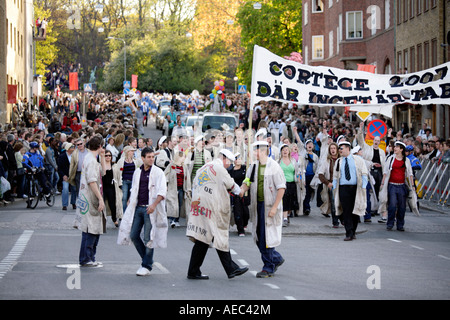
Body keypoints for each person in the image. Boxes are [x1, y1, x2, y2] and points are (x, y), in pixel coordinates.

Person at [186, 149, 248, 280]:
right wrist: (242, 189)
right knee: (219, 235)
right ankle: (231, 269)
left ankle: (194, 270)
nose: (229, 165)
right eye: (229, 162)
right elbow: (232, 186)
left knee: (202, 238)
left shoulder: (204, 166)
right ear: (224, 158)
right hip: (211, 207)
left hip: (198, 205)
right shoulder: (219, 168)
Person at [117, 147, 168, 276]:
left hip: (150, 208)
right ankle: (147, 260)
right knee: (133, 235)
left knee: (148, 238)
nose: (151, 159)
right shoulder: (137, 172)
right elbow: (134, 188)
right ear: (143, 158)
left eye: (153, 157)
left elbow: (162, 191)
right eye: (149, 157)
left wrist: (154, 205)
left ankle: (146, 265)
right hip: (138, 207)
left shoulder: (158, 172)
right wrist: (130, 200)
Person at [239, 141, 286, 278]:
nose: (254, 153)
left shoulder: (274, 167)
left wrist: (275, 207)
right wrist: (242, 189)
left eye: (256, 150)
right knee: (259, 237)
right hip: (257, 205)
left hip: (270, 205)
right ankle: (276, 258)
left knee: (267, 237)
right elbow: (247, 181)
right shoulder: (253, 166)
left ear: (263, 151)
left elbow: (281, 188)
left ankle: (268, 267)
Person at [77, 136, 106, 267]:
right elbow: (92, 181)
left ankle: (89, 257)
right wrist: (100, 199)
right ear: (99, 146)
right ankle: (87, 257)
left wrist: (103, 157)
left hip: (87, 196)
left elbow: (103, 172)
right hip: (91, 197)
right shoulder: (92, 161)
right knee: (91, 229)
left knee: (92, 228)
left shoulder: (90, 158)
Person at [332, 141, 369, 241]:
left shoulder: (358, 160)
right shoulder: (339, 161)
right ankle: (348, 233)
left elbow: (364, 173)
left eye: (341, 148)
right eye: (339, 148)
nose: (340, 150)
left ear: (348, 148)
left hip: (355, 188)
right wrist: (335, 189)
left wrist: (363, 186)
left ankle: (353, 231)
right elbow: (335, 177)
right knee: (346, 211)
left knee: (355, 211)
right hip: (343, 188)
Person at [379, 141, 418, 231]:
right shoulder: (391, 159)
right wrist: (383, 183)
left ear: (401, 149)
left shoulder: (406, 160)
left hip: (402, 186)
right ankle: (390, 223)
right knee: (392, 205)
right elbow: (385, 172)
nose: (395, 148)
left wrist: (412, 185)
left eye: (397, 147)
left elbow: (410, 173)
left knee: (402, 206)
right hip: (392, 185)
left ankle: (400, 224)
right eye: (395, 147)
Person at [164, 151, 191, 228]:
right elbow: (166, 174)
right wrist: (166, 184)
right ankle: (171, 220)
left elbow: (187, 178)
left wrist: (188, 189)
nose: (184, 158)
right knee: (172, 204)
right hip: (172, 188)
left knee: (179, 204)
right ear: (179, 157)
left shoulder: (184, 166)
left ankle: (176, 220)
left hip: (181, 188)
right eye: (183, 157)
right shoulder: (171, 165)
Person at [318, 142, 341, 227]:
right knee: (334, 203)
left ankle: (342, 219)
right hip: (331, 185)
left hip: (341, 184)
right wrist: (328, 183)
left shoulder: (341, 160)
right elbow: (320, 174)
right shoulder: (326, 161)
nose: (333, 150)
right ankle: (335, 222)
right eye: (331, 148)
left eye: (334, 148)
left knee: (341, 202)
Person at [22, 141, 52, 206]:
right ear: (32, 148)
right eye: (35, 148)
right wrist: (30, 168)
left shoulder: (38, 153)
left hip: (39, 170)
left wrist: (42, 167)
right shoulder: (27, 155)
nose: (37, 149)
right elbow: (24, 163)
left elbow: (41, 160)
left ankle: (47, 195)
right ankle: (30, 198)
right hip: (31, 171)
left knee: (44, 183)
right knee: (31, 185)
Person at [229, 152, 249, 236]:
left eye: (240, 159)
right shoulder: (231, 171)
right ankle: (240, 229)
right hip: (236, 193)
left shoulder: (245, 168)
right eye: (237, 159)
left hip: (244, 192)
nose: (239, 161)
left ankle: (244, 224)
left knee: (246, 212)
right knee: (238, 212)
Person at [278, 144, 299, 227]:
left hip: (292, 183)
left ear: (289, 151)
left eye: (286, 150)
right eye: (283, 150)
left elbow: (297, 171)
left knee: (291, 202)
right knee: (285, 201)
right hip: (282, 184)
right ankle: (285, 218)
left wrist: (299, 179)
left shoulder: (293, 161)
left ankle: (287, 215)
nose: (285, 151)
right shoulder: (278, 162)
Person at [101, 149, 122, 227]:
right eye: (106, 155)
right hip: (102, 187)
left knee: (112, 204)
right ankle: (102, 220)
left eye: (109, 155)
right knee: (101, 204)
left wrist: (120, 184)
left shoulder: (114, 165)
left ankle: (114, 219)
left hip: (111, 187)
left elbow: (118, 176)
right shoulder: (100, 165)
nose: (108, 157)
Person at [68, 138, 89, 209]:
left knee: (87, 189)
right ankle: (81, 204)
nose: (80, 145)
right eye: (78, 145)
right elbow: (72, 164)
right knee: (79, 190)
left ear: (84, 144)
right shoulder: (75, 153)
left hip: (87, 173)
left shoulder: (88, 152)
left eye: (81, 144)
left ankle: (88, 203)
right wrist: (71, 175)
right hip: (78, 173)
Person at [58, 142, 76, 210]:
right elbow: (59, 168)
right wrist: (63, 175)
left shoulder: (74, 156)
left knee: (74, 189)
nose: (73, 149)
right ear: (68, 149)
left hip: (72, 175)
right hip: (65, 175)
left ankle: (73, 202)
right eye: (72, 147)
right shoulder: (62, 156)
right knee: (65, 189)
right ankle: (64, 204)